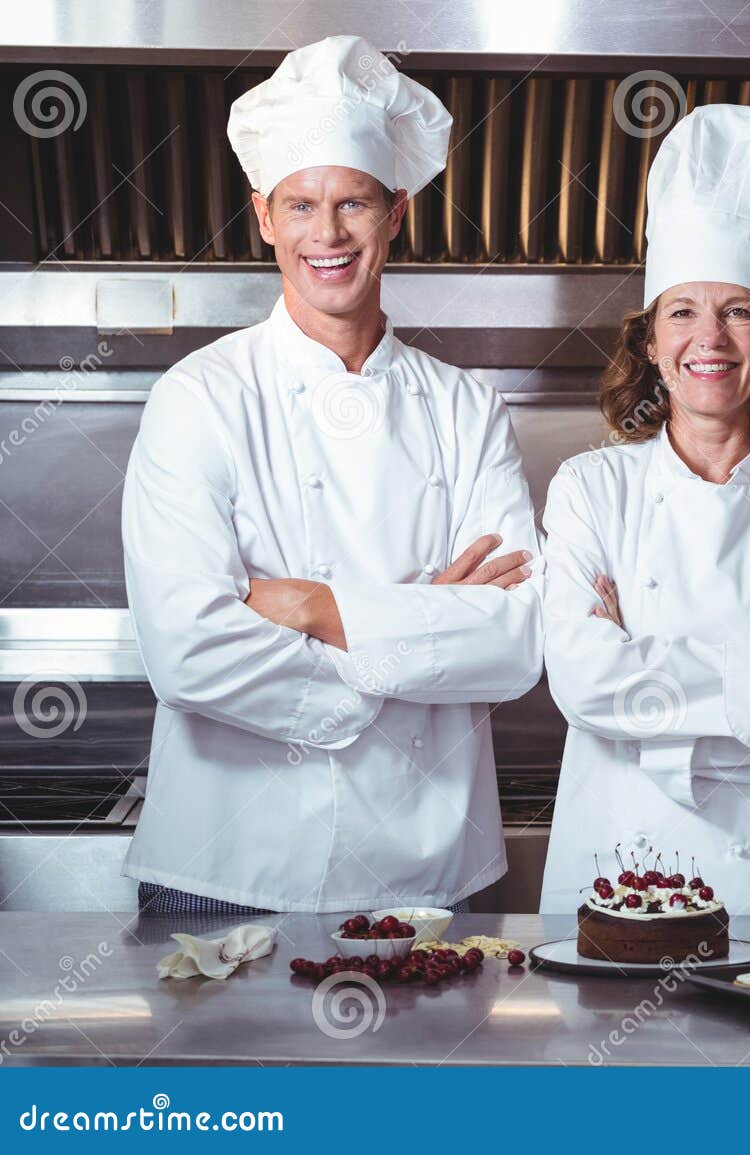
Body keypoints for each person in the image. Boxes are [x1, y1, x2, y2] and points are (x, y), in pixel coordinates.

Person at [121, 35, 544, 915]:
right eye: (301, 205)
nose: (328, 234)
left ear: (396, 212)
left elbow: (516, 637)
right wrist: (417, 631)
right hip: (226, 871)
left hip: (432, 880)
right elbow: (187, 650)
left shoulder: (467, 408)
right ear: (264, 216)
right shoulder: (200, 396)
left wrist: (317, 606)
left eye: (352, 203)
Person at [538, 105, 750, 917]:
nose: (711, 338)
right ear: (651, 342)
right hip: (613, 884)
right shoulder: (590, 488)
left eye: (738, 309)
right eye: (682, 311)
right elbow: (585, 684)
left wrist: (651, 722)